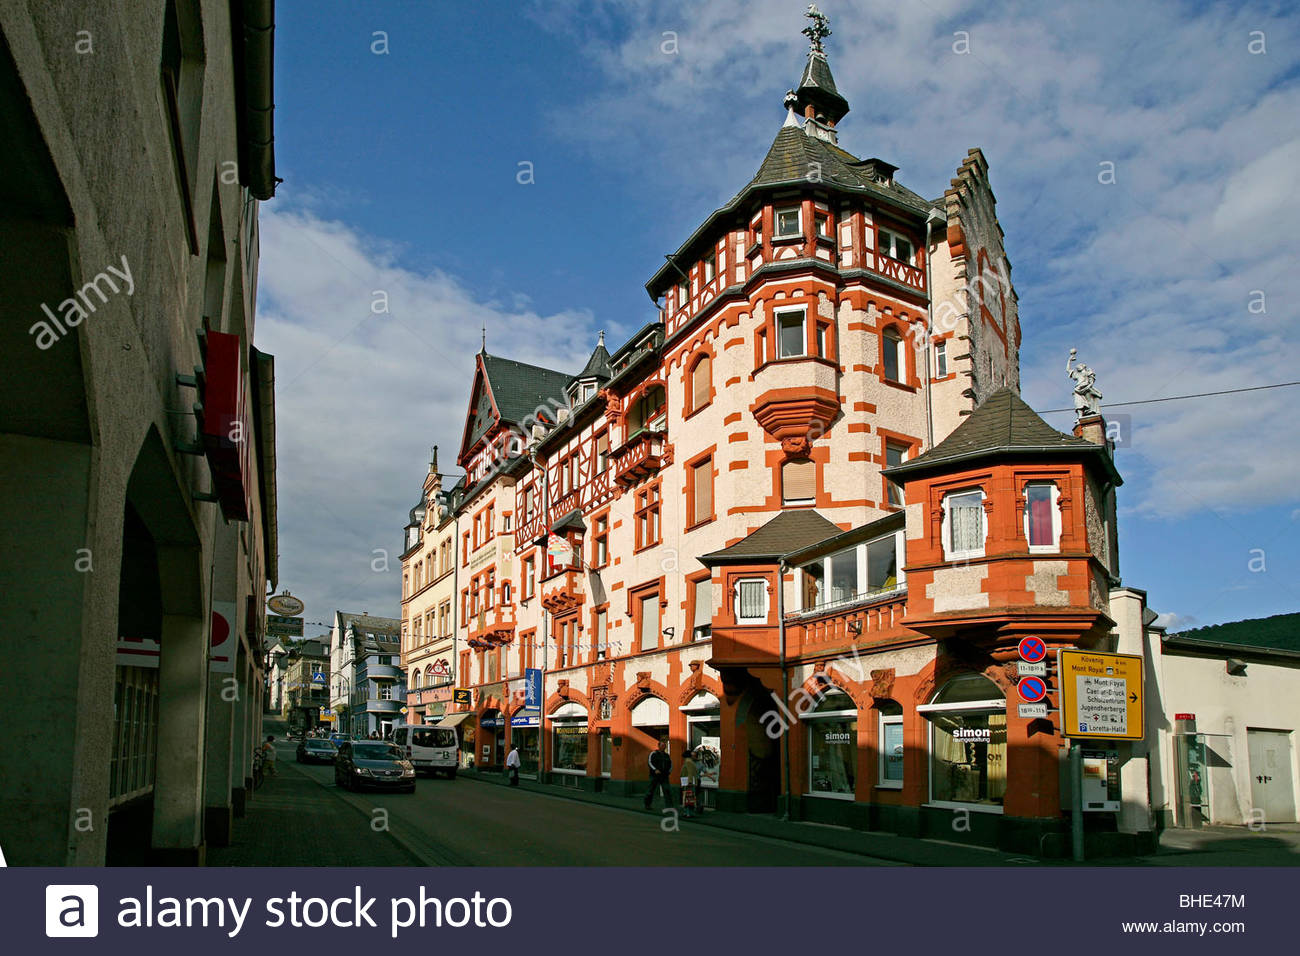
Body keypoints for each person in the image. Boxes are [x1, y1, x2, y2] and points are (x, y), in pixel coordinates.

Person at [644, 738, 673, 810]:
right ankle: (647, 804)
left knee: (667, 790)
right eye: (662, 745)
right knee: (650, 790)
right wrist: (655, 770)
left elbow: (671, 764)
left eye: (665, 745)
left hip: (664, 776)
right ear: (659, 746)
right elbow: (649, 762)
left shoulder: (667, 756)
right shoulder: (653, 753)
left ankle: (669, 806)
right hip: (654, 775)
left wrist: (669, 771)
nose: (664, 747)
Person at [679, 748, 701, 817]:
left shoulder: (688, 762)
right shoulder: (690, 762)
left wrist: (690, 782)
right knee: (690, 797)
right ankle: (688, 812)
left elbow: (690, 773)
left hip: (688, 782)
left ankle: (688, 813)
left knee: (688, 797)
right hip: (689, 782)